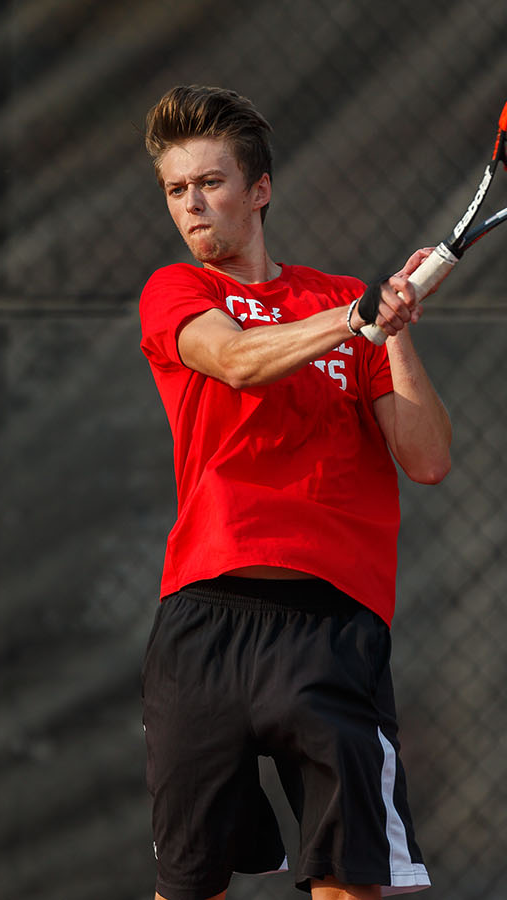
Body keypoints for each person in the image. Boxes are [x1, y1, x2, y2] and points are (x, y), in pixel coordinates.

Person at [137, 84, 453, 900]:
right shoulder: (177, 291)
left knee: (347, 884)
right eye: (176, 189)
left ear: (260, 190)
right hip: (204, 623)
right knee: (190, 887)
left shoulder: (340, 302)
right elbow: (238, 361)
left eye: (210, 182)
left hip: (332, 632)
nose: (192, 205)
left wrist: (392, 330)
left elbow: (426, 459)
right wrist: (356, 316)